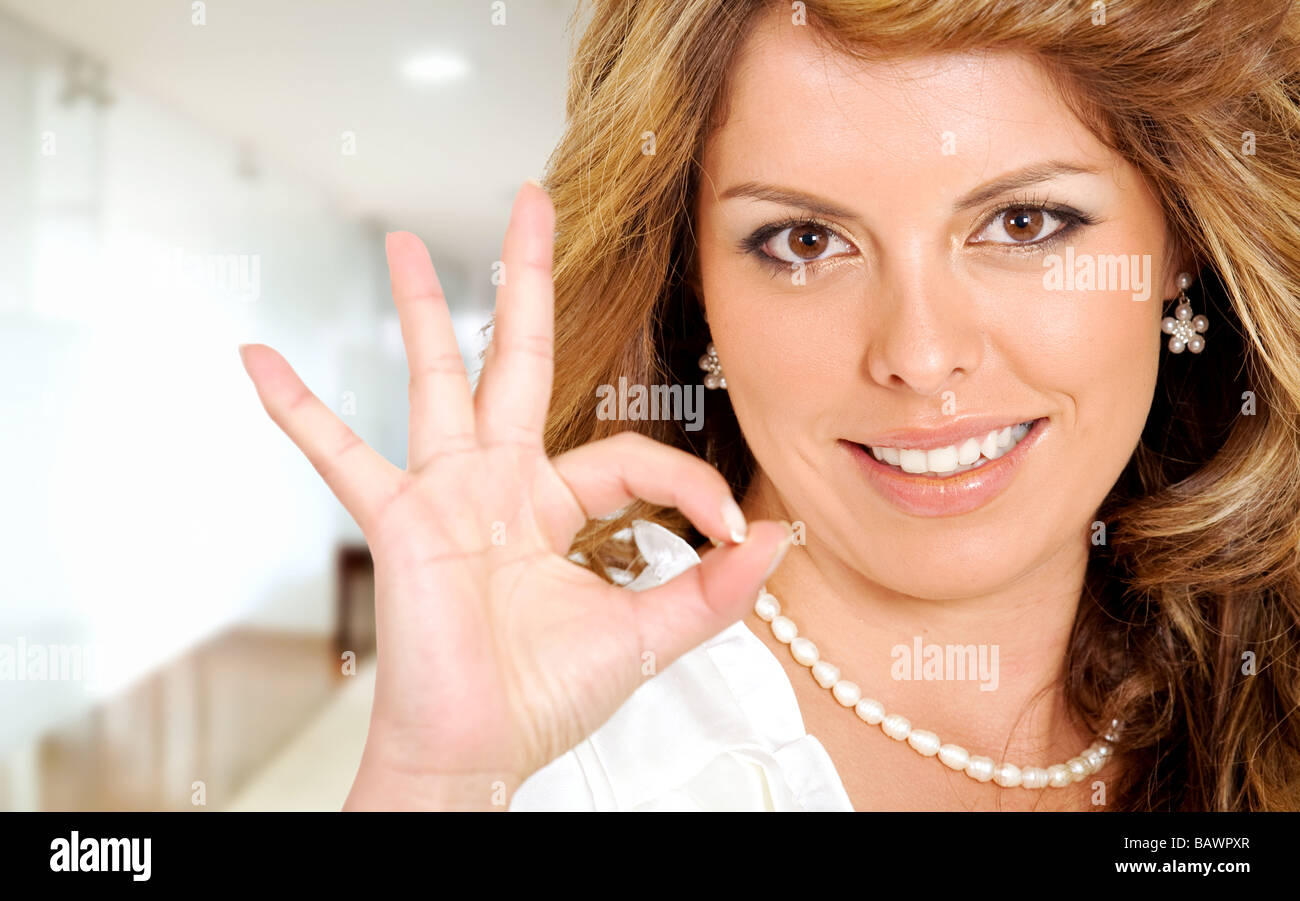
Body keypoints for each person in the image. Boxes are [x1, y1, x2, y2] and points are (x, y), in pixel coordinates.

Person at [239, 0, 1300, 811]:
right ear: (692, 277)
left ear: (1176, 240)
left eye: (1023, 222)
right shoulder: (580, 747)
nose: (920, 357)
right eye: (803, 241)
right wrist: (433, 782)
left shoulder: (1260, 656)